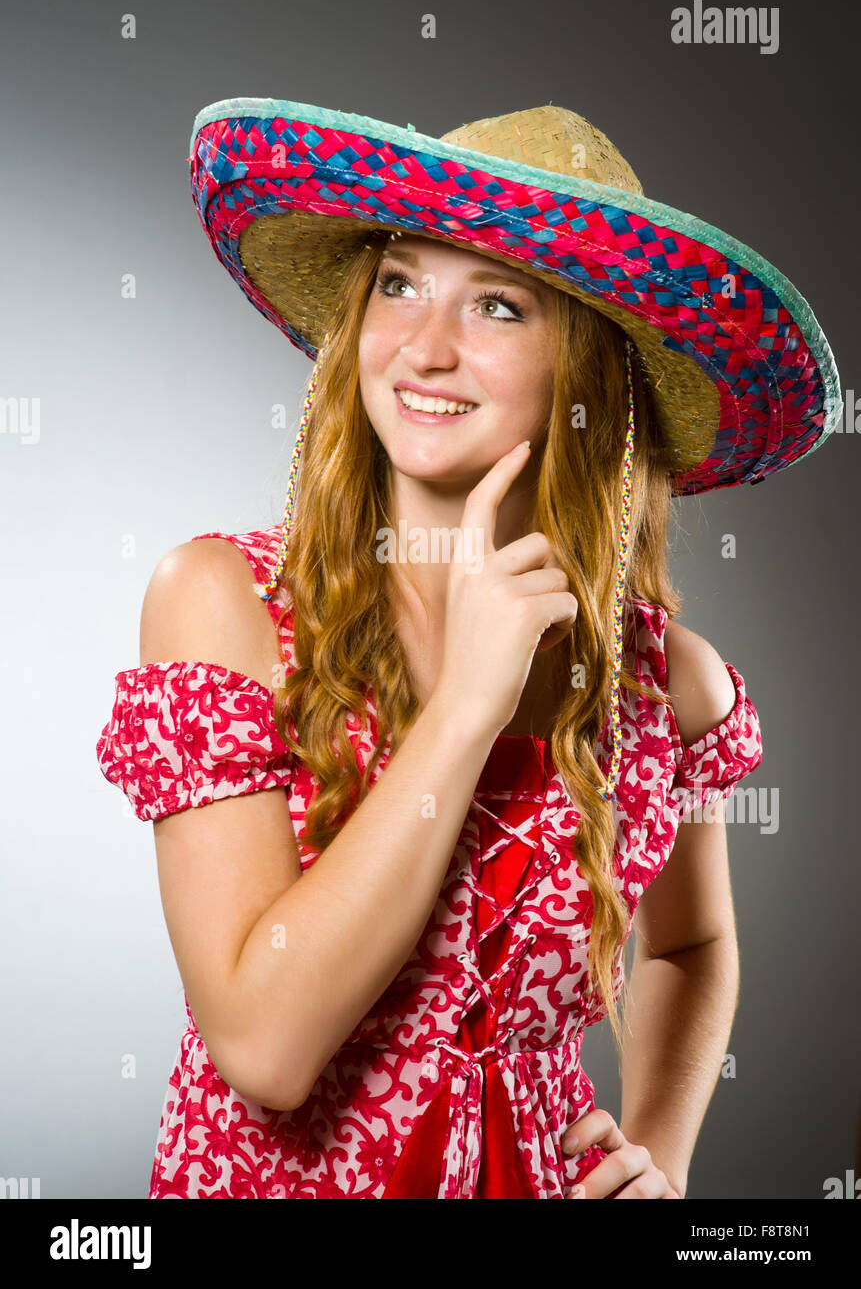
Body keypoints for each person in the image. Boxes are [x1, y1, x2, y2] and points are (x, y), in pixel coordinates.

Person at [96, 98, 840, 1199]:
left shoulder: (666, 681)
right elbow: (263, 1048)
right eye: (399, 283)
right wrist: (463, 715)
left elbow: (691, 948)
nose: (425, 346)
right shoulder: (225, 602)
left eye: (498, 305)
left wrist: (664, 1159)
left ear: (587, 372)